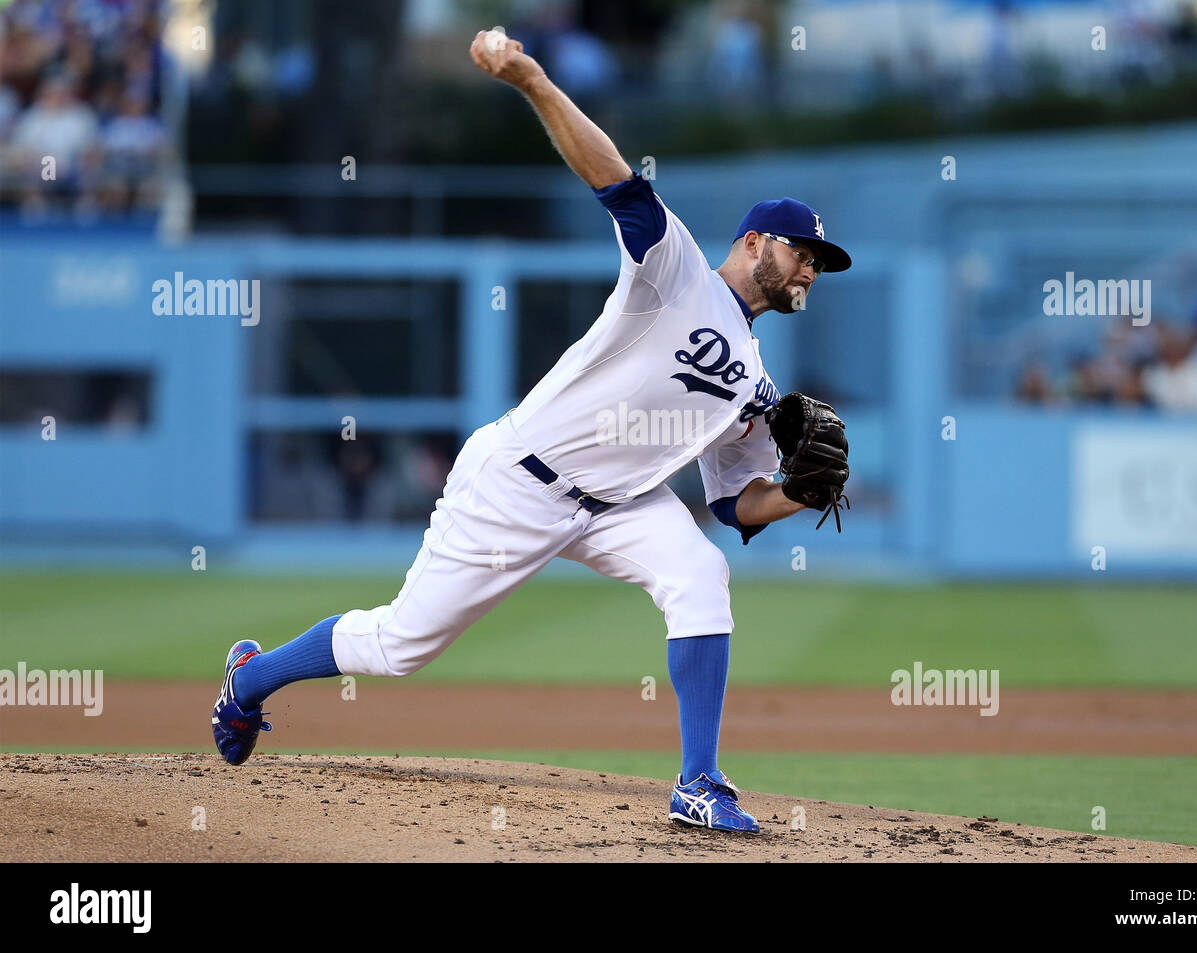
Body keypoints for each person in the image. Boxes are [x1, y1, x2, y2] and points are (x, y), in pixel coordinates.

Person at [211, 29, 853, 834]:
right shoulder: (678, 269)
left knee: (699, 569)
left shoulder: (758, 388)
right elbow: (614, 179)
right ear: (754, 242)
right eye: (803, 254)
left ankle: (699, 782)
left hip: (619, 503)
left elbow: (735, 506)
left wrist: (799, 492)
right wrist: (531, 78)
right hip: (519, 479)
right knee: (403, 644)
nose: (809, 271)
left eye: (819, 265)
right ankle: (251, 678)